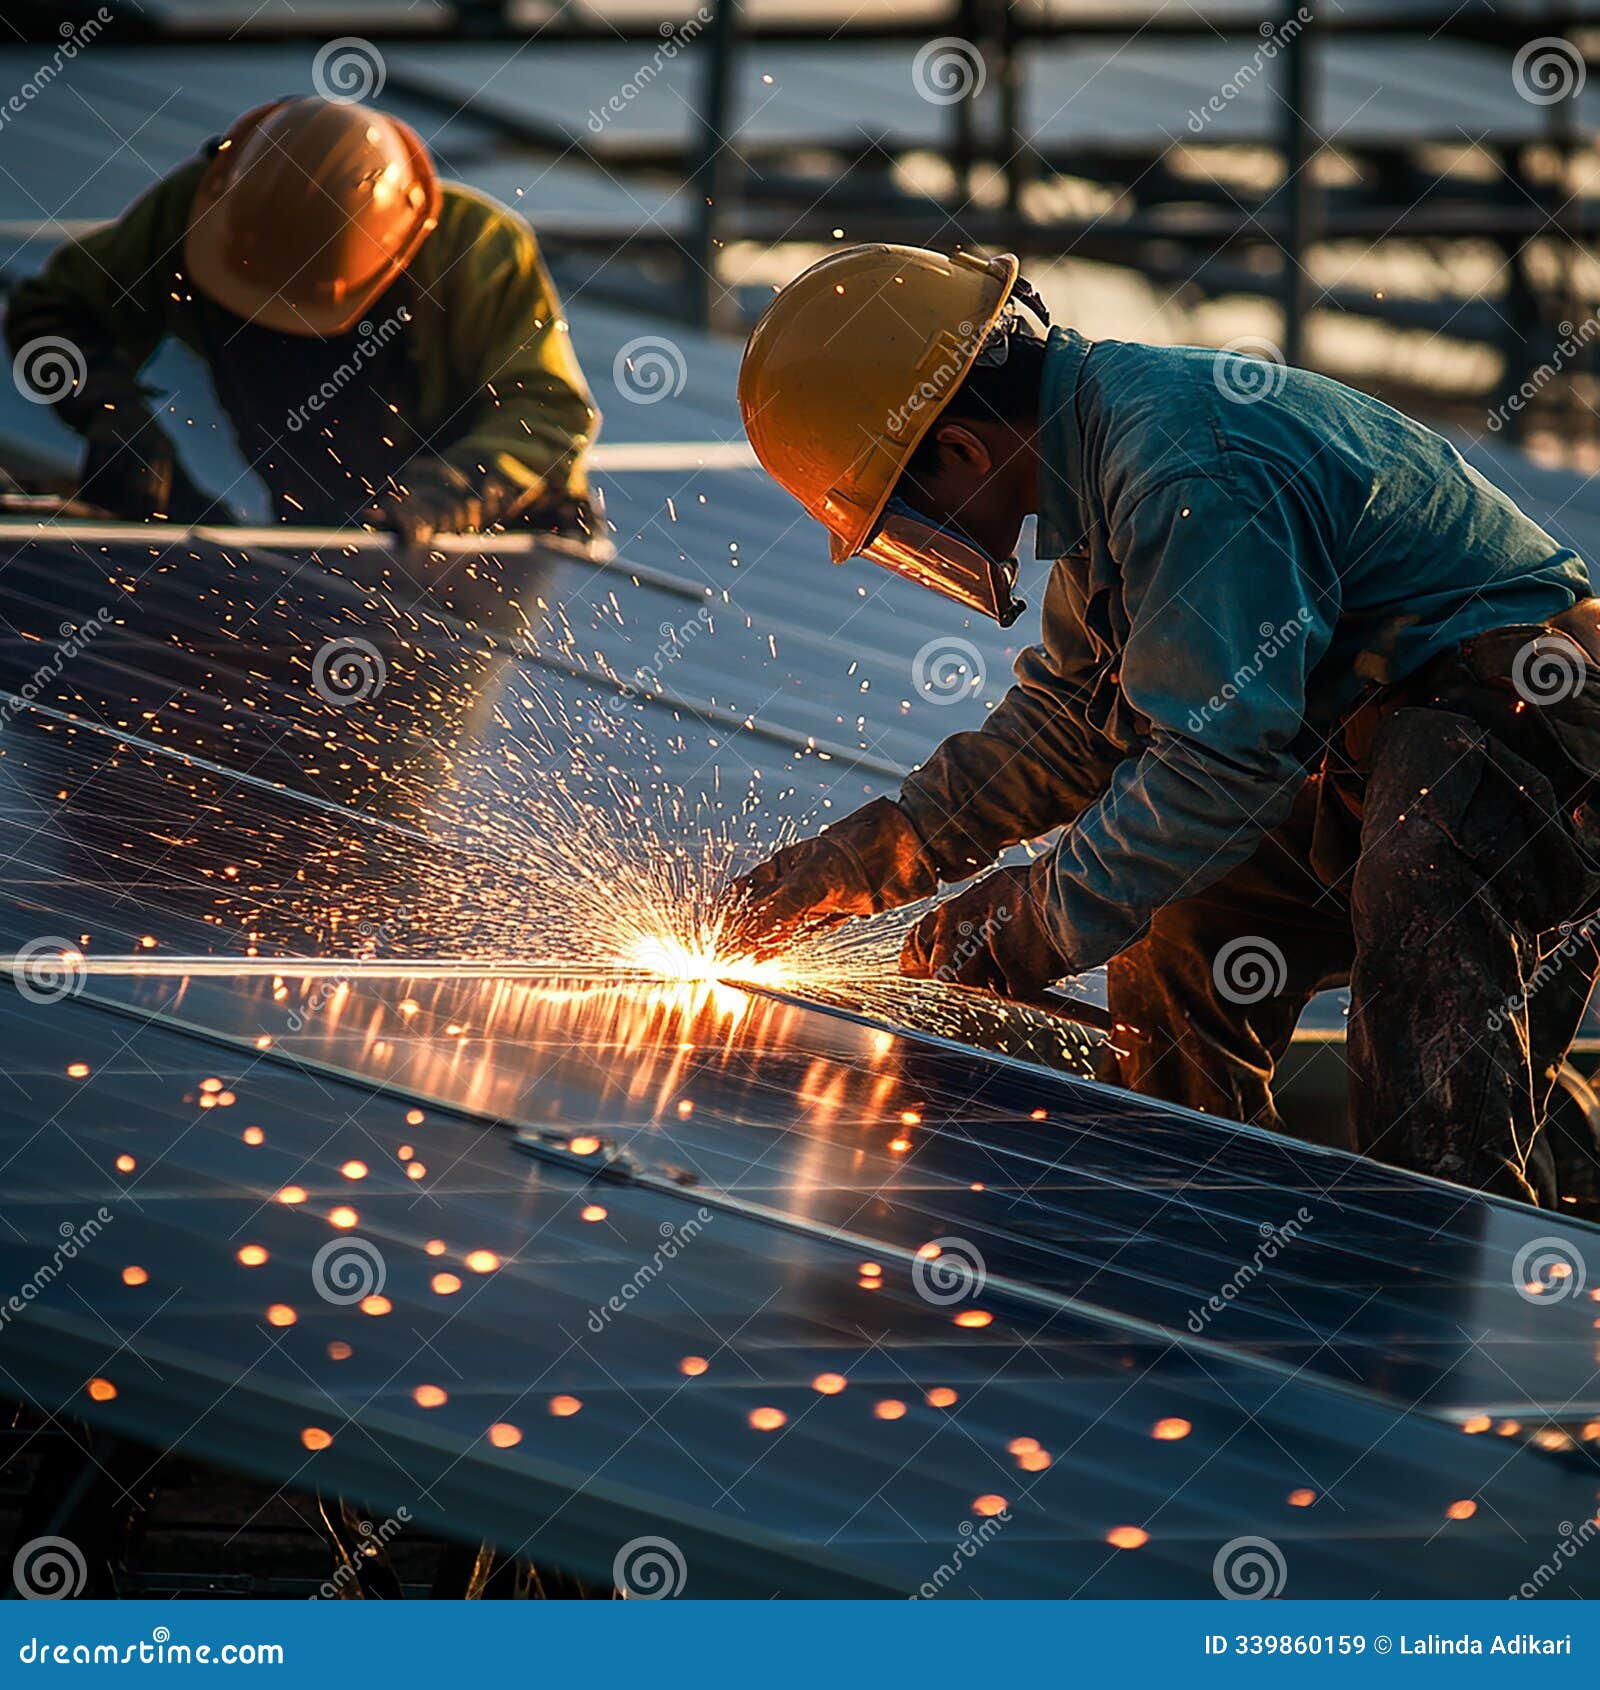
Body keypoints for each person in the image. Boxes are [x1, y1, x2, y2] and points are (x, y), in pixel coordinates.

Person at [731, 242, 1600, 1207]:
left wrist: (1036, 921)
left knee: (1425, 875)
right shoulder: (1102, 461)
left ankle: (1460, 1266)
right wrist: (877, 852)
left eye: (910, 520)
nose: (927, 548)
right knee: (1178, 936)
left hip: (1526, 728)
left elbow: (1219, 760)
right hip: (1382, 754)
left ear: (963, 449)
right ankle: (1208, 1227)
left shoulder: (1183, 467)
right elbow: (1071, 721)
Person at [6, 96, 597, 545]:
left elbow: (548, 411)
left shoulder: (477, 256)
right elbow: (58, 315)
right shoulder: (209, 212)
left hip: (476, 543)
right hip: (316, 518)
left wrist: (454, 490)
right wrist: (116, 420)